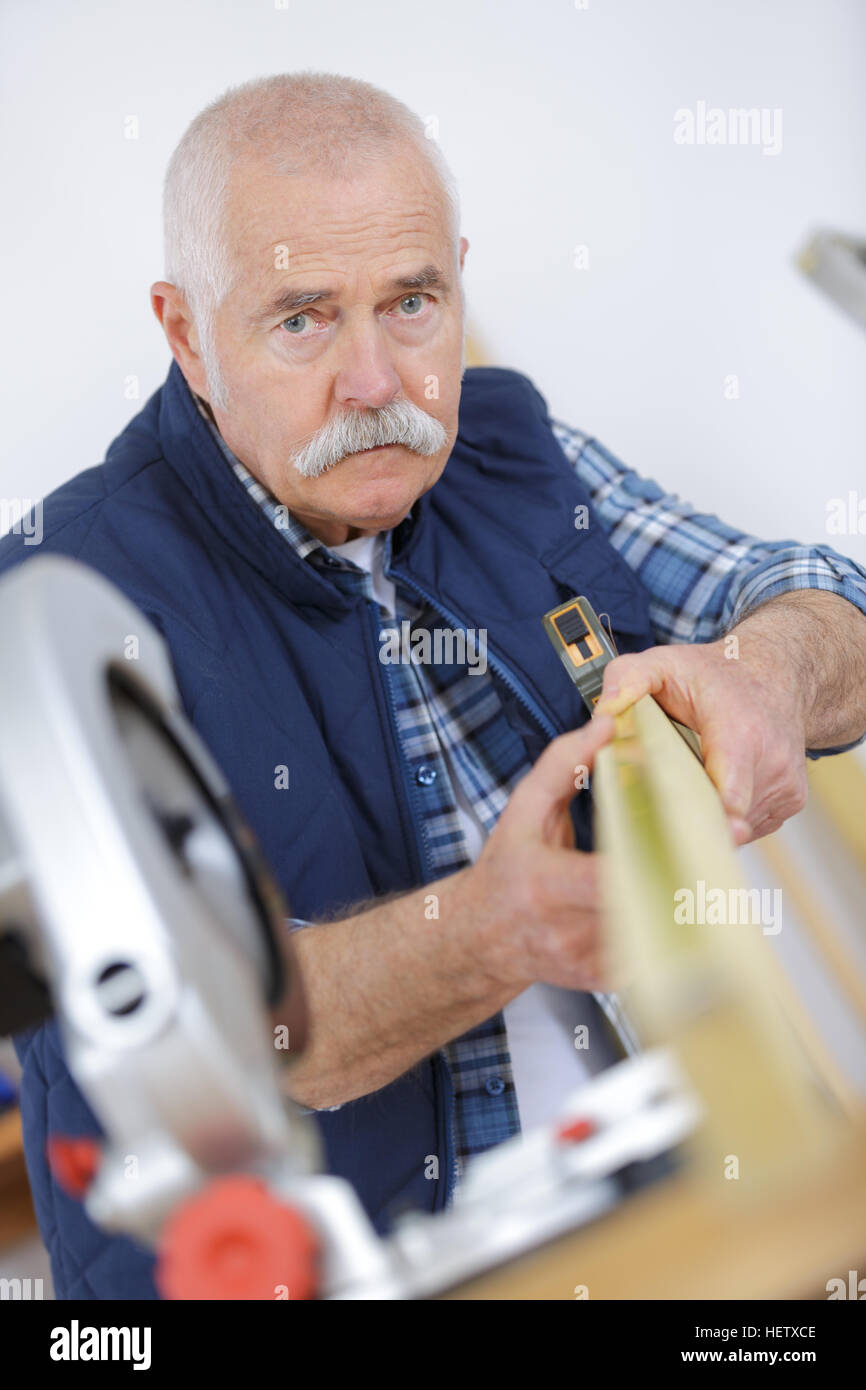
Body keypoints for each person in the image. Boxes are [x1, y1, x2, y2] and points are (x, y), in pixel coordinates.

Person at [2, 71, 866, 1299]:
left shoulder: (506, 451)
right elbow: (211, 1044)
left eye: (411, 301)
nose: (377, 382)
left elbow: (821, 595)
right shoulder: (53, 612)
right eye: (302, 317)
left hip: (642, 1224)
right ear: (185, 330)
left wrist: (766, 675)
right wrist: (489, 928)